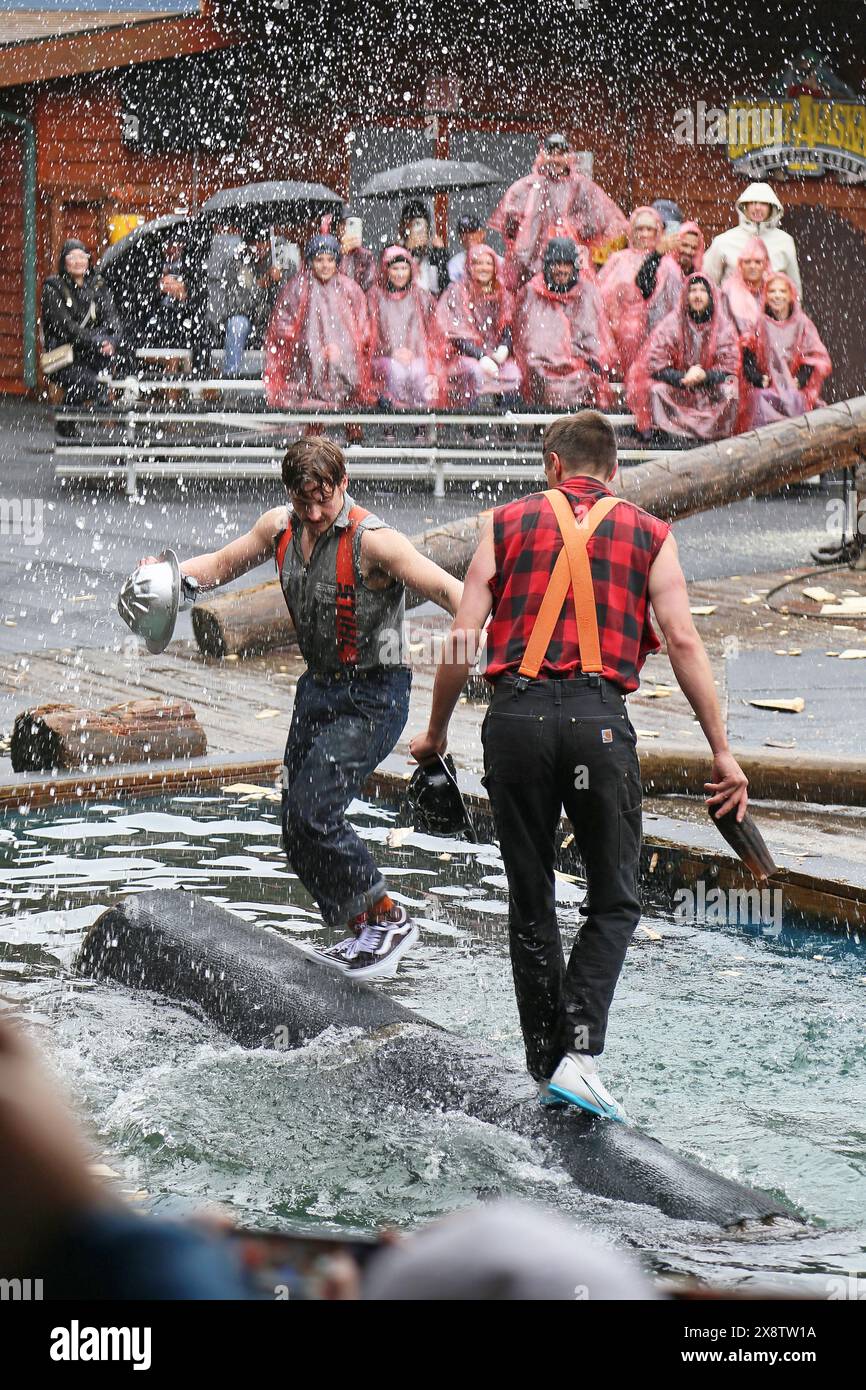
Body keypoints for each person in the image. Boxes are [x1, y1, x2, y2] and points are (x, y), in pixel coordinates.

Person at [410, 412, 749, 1117]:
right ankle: (581, 1054)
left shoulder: (502, 524)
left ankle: (548, 1071)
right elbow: (683, 641)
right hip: (598, 726)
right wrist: (721, 749)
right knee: (616, 899)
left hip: (515, 725)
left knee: (530, 900)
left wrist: (435, 733)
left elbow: (462, 637)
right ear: (615, 471)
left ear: (553, 465)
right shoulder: (651, 533)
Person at [141, 436, 461, 976]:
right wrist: (172, 582)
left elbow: (451, 591)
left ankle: (388, 918)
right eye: (303, 501)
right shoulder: (279, 526)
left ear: (344, 484)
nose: (313, 513)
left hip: (373, 696)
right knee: (293, 821)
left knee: (316, 811)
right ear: (289, 493)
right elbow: (222, 562)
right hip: (317, 690)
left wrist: (494, 640)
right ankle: (362, 928)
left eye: (324, 500)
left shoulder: (376, 542)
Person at [488, 132, 627, 293]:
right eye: (550, 154)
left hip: (571, 258)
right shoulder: (526, 186)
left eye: (560, 154)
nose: (555, 159)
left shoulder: (582, 187)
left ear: (569, 157)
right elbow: (509, 223)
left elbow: (602, 219)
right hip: (531, 261)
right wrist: (528, 237)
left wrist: (572, 228)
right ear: (542, 155)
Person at [263, 234, 372, 409]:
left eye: (330, 260)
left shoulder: (350, 289)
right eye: (319, 259)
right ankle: (315, 424)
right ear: (311, 261)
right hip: (305, 358)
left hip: (344, 357)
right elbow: (282, 326)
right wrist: (309, 346)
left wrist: (343, 348)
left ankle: (351, 421)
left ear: (337, 261)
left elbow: (363, 329)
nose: (325, 265)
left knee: (345, 372)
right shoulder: (297, 288)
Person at [627, 274, 740, 443]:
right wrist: (682, 378)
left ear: (711, 296)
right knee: (656, 391)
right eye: (693, 290)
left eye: (702, 291)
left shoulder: (724, 326)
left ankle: (717, 432)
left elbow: (731, 366)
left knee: (732, 390)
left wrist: (706, 376)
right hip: (679, 389)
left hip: (710, 389)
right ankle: (669, 430)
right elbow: (655, 363)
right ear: (686, 295)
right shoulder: (672, 323)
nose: (697, 295)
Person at [513, 236, 614, 409]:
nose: (560, 269)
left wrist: (583, 358)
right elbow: (529, 339)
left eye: (565, 264)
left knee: (589, 380)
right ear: (547, 266)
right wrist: (555, 358)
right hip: (542, 367)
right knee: (545, 382)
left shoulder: (587, 292)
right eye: (555, 264)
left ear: (574, 266)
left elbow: (597, 336)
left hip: (580, 366)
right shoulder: (532, 291)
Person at [596, 207, 683, 379]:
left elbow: (672, 305)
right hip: (612, 337)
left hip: (649, 337)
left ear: (658, 232)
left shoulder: (668, 265)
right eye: (639, 229)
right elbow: (597, 295)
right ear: (631, 231)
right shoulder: (617, 259)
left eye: (649, 229)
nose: (644, 234)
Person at [739, 272, 831, 431]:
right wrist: (758, 378)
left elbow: (813, 356)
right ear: (766, 296)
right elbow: (747, 353)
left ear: (790, 295)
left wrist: (799, 380)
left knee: (795, 402)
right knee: (760, 400)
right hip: (766, 388)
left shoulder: (803, 323)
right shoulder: (759, 322)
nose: (777, 296)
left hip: (794, 387)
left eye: (782, 291)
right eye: (772, 291)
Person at [435, 243, 522, 408]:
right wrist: (480, 355)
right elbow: (455, 334)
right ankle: (473, 426)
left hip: (496, 356)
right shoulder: (457, 292)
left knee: (514, 374)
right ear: (469, 266)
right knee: (476, 373)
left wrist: (503, 350)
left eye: (488, 263)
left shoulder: (503, 294)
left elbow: (508, 326)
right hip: (464, 355)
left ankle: (507, 427)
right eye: (478, 263)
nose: (484, 268)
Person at [40, 239, 126, 406]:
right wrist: (97, 341)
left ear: (88, 260)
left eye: (82, 256)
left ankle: (112, 411)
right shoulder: (53, 288)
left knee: (123, 362)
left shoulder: (98, 287)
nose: (78, 261)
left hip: (94, 355)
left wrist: (111, 342)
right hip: (65, 355)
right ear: (64, 261)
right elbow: (66, 327)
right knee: (89, 383)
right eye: (72, 257)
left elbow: (113, 321)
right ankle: (67, 416)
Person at [367, 246, 444, 409]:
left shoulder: (421, 296)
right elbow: (369, 333)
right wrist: (390, 351)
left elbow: (434, 330)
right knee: (396, 372)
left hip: (416, 357)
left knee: (420, 372)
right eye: (395, 268)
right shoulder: (374, 296)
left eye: (404, 268)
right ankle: (392, 422)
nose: (400, 273)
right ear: (386, 269)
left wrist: (416, 352)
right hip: (384, 358)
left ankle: (420, 423)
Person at [702, 182, 802, 295]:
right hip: (731, 310)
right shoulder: (724, 241)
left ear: (771, 207)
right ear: (744, 206)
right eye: (753, 203)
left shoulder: (784, 241)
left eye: (763, 203)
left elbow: (794, 288)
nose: (758, 207)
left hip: (770, 310)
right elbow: (706, 281)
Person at [213, 234, 284, 378]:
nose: (259, 247)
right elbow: (236, 305)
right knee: (236, 324)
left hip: (274, 321)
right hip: (247, 322)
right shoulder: (233, 265)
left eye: (263, 242)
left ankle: (281, 378)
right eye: (254, 242)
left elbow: (286, 301)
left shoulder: (282, 263)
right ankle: (231, 376)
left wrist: (278, 283)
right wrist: (260, 286)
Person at [719, 237, 770, 340]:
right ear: (740, 265)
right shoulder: (728, 290)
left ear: (765, 265)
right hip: (735, 348)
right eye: (747, 262)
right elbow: (722, 326)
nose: (752, 266)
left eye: (757, 262)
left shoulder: (773, 288)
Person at [399, 200, 450, 296]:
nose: (422, 235)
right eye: (417, 229)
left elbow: (442, 288)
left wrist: (441, 254)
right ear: (406, 228)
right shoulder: (396, 255)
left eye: (425, 230)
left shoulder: (433, 257)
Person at [324, 204, 377, 292]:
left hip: (357, 301)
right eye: (341, 224)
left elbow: (369, 284)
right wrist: (341, 254)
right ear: (335, 227)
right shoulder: (326, 250)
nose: (345, 228)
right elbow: (328, 281)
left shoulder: (365, 255)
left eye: (350, 224)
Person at [447, 212, 487, 282]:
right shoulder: (455, 263)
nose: (468, 236)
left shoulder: (497, 260)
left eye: (472, 231)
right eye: (463, 233)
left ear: (483, 234)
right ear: (460, 238)